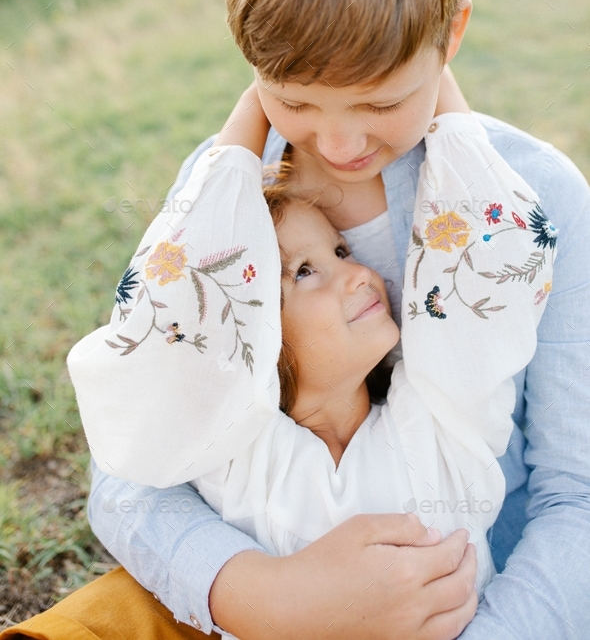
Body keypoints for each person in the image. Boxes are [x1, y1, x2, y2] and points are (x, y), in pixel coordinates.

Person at [3, 0, 589, 640]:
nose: (340, 142)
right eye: (294, 99)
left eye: (381, 101)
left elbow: (578, 496)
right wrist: (263, 595)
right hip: (259, 597)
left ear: (452, 34)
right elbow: (131, 463)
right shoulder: (229, 197)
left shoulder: (539, 203)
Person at [67, 83, 555, 634]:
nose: (358, 273)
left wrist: (434, 80)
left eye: (341, 250)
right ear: (247, 329)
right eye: (304, 271)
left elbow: (487, 252)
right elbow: (181, 291)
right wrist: (252, 115)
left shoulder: (441, 424)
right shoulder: (237, 453)